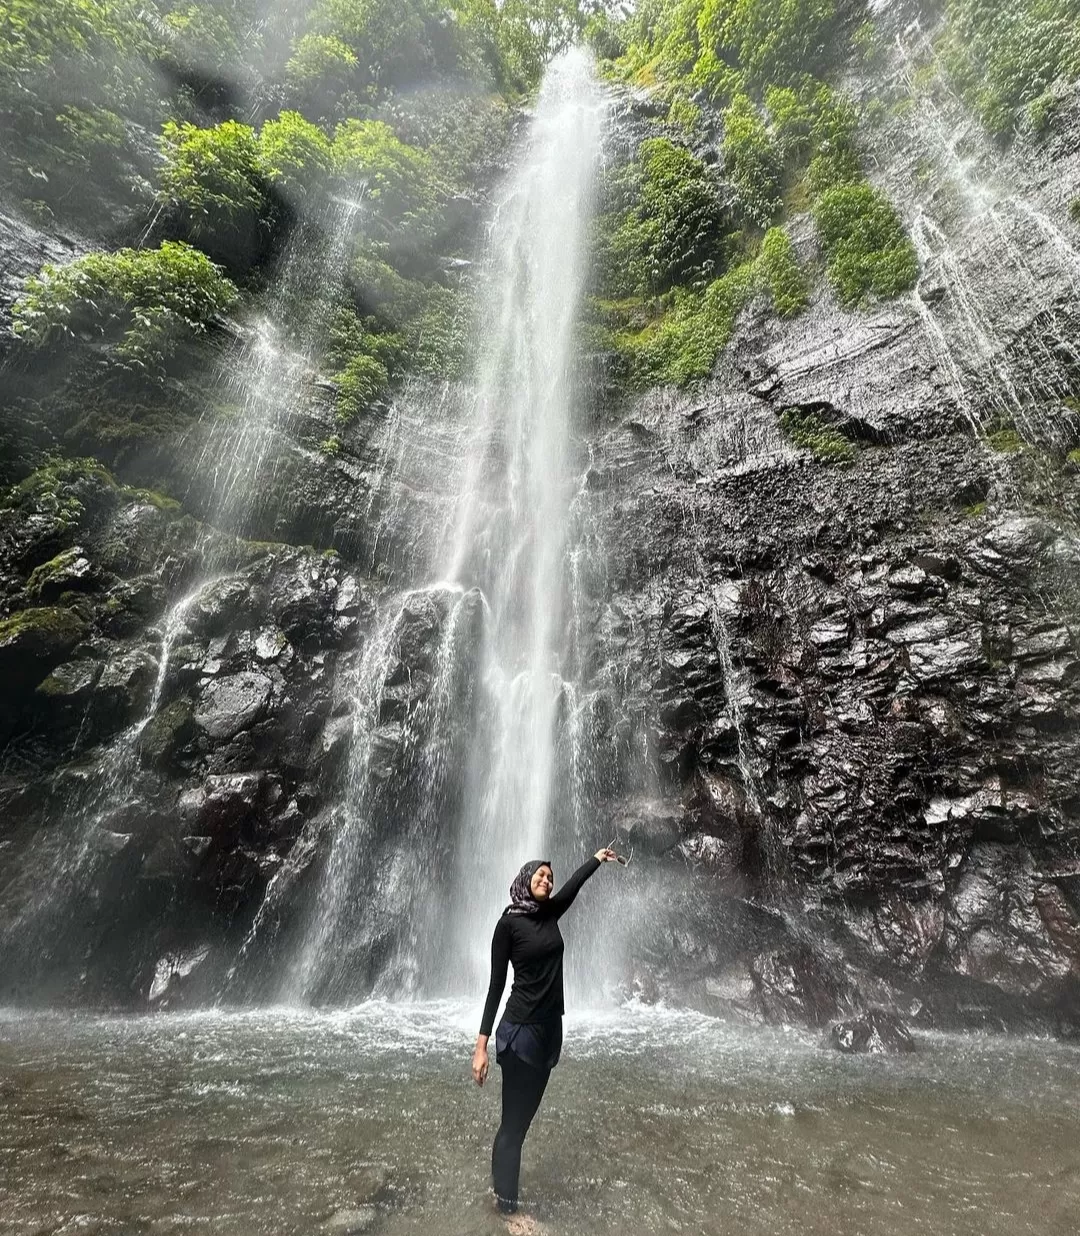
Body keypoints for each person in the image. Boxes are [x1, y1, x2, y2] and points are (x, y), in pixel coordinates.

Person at [471, 848, 618, 1228]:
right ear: (525, 879)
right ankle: (507, 1209)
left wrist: (597, 859)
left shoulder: (550, 913)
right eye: (540, 875)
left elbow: (574, 886)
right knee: (513, 1125)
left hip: (549, 1031)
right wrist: (481, 1046)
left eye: (550, 877)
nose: (547, 880)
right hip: (520, 1032)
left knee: (520, 1123)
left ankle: (501, 1191)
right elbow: (495, 986)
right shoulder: (508, 925)